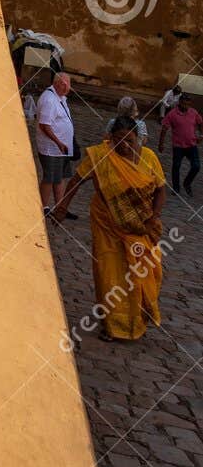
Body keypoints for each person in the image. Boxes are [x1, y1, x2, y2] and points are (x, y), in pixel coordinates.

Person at [54, 116, 166, 341]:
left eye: (129, 141)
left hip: (141, 228)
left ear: (139, 139)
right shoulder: (101, 156)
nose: (124, 146)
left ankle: (138, 322)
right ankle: (113, 326)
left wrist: (154, 218)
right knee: (110, 274)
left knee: (145, 272)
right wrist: (62, 207)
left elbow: (161, 190)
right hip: (107, 225)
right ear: (110, 138)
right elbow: (77, 180)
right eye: (118, 140)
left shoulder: (149, 158)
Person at [36, 72, 77, 217]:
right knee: (49, 177)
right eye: (63, 84)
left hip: (62, 148)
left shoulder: (60, 97)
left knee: (59, 177)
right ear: (56, 83)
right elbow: (44, 125)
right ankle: (43, 207)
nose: (66, 88)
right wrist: (58, 142)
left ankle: (60, 208)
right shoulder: (49, 99)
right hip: (51, 148)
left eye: (68, 85)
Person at [158, 89, 202, 197]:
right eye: (184, 103)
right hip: (178, 146)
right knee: (176, 166)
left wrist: (201, 135)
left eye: (188, 104)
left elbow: (201, 123)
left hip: (192, 145)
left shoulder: (193, 112)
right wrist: (161, 144)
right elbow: (164, 129)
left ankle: (187, 183)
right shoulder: (172, 114)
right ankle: (176, 188)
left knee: (196, 166)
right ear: (180, 102)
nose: (186, 106)